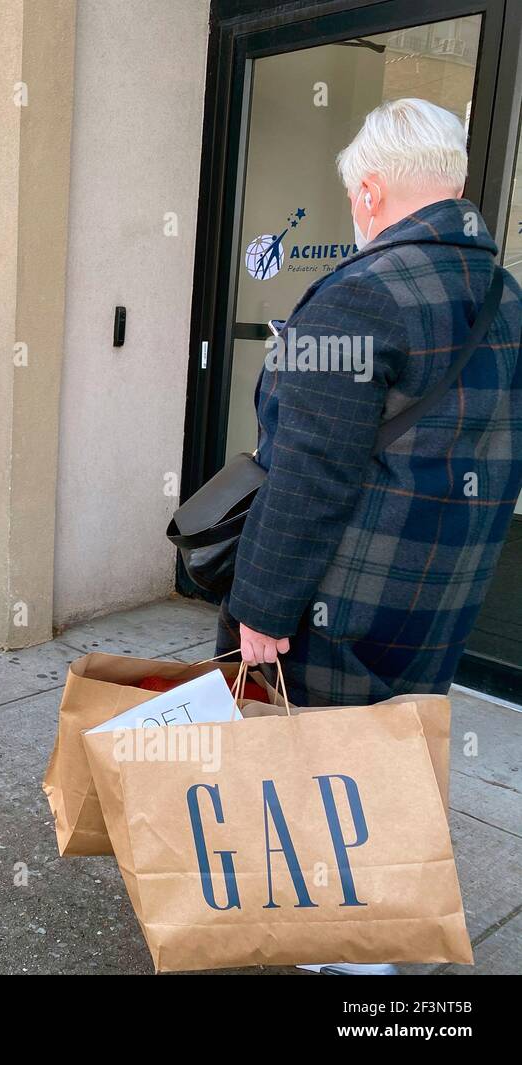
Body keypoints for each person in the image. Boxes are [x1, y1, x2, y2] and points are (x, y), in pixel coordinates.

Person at [218, 98, 522, 709]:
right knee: (389, 768)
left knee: (306, 783)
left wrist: (260, 607)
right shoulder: (506, 294)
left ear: (371, 191)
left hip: (339, 611)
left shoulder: (353, 297)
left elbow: (311, 471)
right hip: (443, 596)